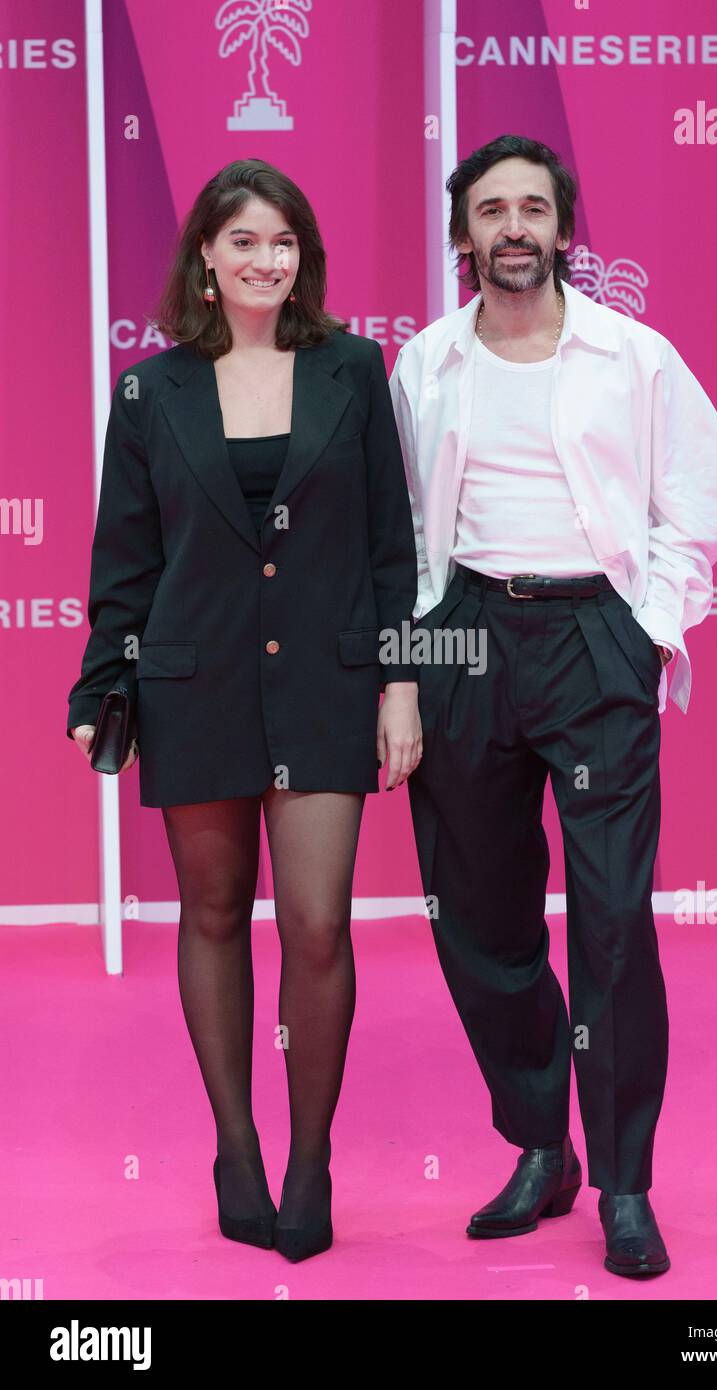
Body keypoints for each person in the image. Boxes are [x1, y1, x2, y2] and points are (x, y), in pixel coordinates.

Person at [389, 134, 717, 1277]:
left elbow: (695, 494)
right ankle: (542, 1143)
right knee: (478, 918)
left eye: (533, 207)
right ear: (464, 235)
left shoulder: (630, 357)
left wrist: (650, 628)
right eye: (491, 210)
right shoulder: (425, 364)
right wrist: (414, 662)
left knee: (610, 919)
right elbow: (400, 533)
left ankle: (625, 1180)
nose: (514, 228)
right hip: (465, 639)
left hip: (595, 640)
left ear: (563, 230)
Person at [66, 158, 421, 1263]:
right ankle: (235, 1145)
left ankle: (311, 1161)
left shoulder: (354, 371)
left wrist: (398, 678)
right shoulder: (149, 390)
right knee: (212, 915)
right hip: (192, 680)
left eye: (284, 243)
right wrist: (97, 685)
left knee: (315, 922)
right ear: (206, 263)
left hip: (325, 680)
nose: (266, 260)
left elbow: (388, 545)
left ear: (302, 259)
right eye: (244, 243)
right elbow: (124, 555)